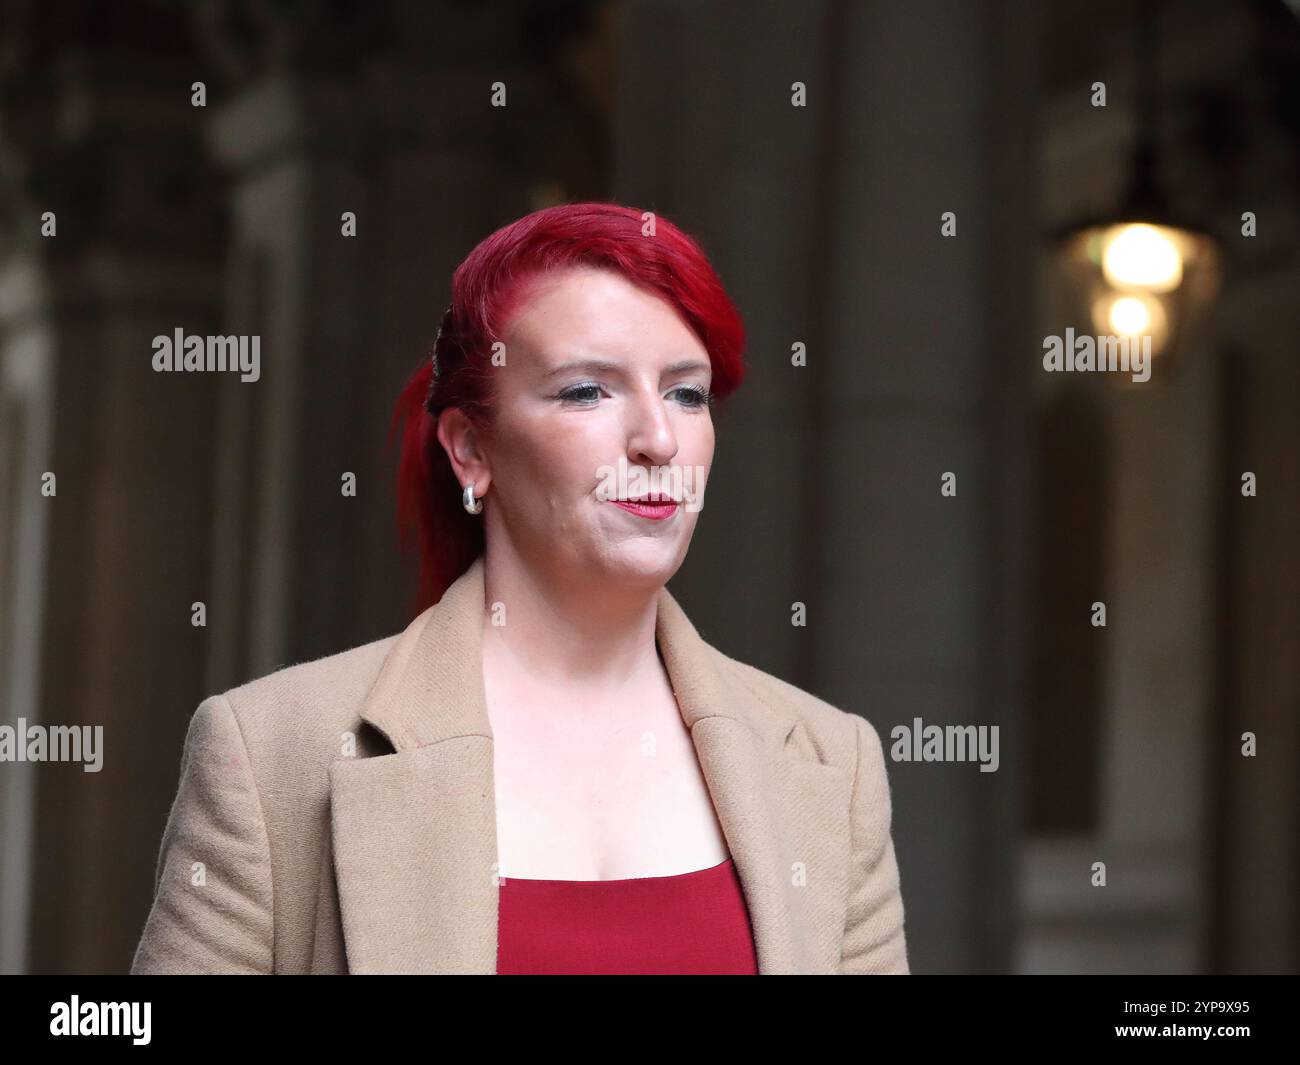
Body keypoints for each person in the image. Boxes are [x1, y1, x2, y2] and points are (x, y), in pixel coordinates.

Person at [130, 201, 908, 974]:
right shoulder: (269, 754)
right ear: (471, 448)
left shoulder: (833, 765)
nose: (658, 439)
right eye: (586, 391)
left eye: (686, 392)